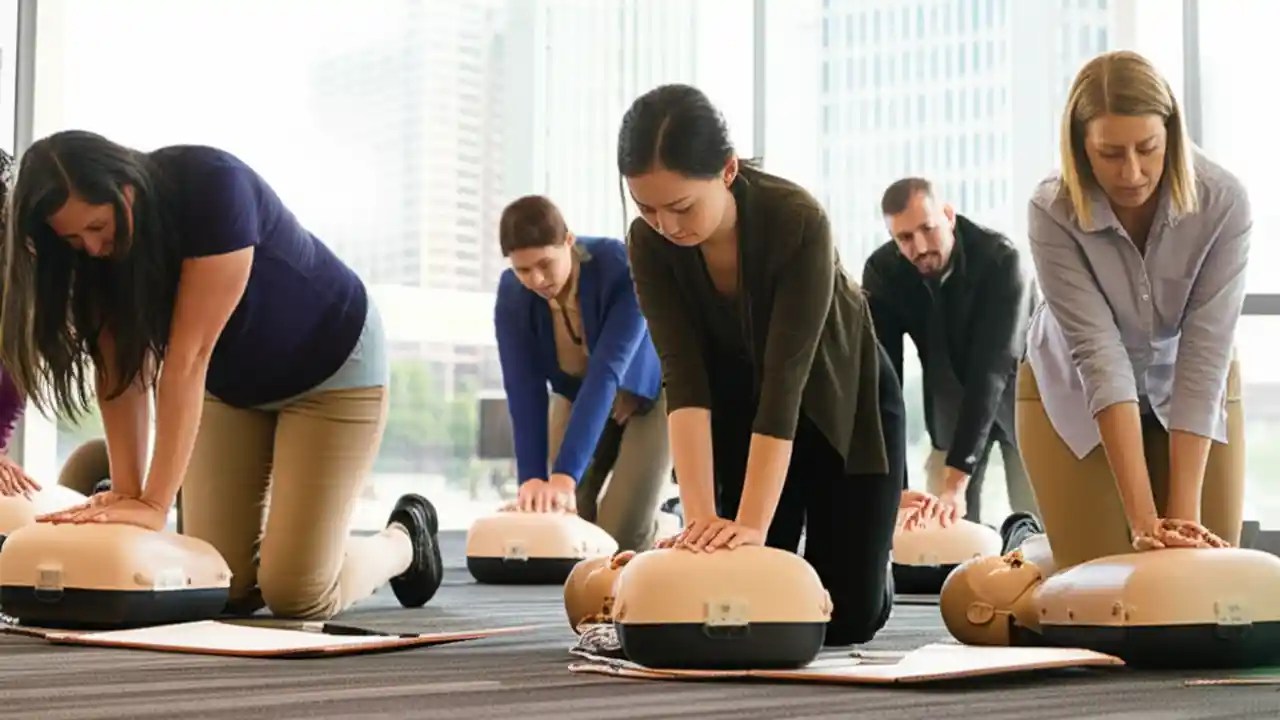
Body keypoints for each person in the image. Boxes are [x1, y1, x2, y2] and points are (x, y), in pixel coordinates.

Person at [0, 130, 443, 619]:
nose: (92, 246)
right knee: (223, 584)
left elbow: (187, 359)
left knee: (298, 594)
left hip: (330, 372)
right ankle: (119, 469)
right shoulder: (91, 257)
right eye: (72, 239)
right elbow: (121, 371)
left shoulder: (211, 189)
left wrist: (153, 505)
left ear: (125, 186)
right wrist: (126, 492)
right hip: (231, 388)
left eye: (97, 226)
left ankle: (404, 539)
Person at [618, 83, 908, 646]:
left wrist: (751, 526)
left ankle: (876, 563)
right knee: (742, 599)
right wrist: (701, 523)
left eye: (681, 207)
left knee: (845, 617)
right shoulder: (648, 243)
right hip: (741, 414)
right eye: (646, 208)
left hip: (840, 403)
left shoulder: (797, 219)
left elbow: (786, 383)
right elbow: (684, 377)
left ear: (727, 170)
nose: (666, 226)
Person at [1019, 49, 1248, 571]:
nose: (1133, 173)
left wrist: (1181, 520)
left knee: (1197, 577)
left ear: (1172, 133)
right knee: (1102, 580)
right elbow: (1100, 356)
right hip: (1075, 388)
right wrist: (1144, 521)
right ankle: (1028, 557)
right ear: (1080, 149)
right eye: (1110, 154)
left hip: (1189, 378)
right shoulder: (1050, 208)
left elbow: (1205, 354)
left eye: (1148, 148)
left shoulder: (1224, 201)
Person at [494, 194, 669, 551]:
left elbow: (607, 371)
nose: (536, 280)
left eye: (545, 264)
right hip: (577, 394)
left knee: (619, 533)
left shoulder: (623, 267)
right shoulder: (512, 294)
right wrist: (532, 479)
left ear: (569, 241)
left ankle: (664, 528)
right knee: (568, 525)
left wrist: (563, 476)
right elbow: (523, 389)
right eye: (523, 270)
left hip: (649, 393)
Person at [863, 177, 1038, 526]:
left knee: (1036, 518)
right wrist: (896, 489)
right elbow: (884, 382)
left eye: (927, 229)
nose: (920, 247)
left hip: (1021, 396)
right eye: (904, 238)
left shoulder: (1002, 260)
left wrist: (957, 481)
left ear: (948, 215)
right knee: (944, 524)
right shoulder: (883, 272)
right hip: (949, 403)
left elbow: (991, 370)